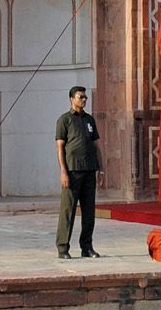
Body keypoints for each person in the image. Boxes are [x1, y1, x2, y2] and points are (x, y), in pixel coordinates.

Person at [54, 85, 101, 259]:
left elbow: (97, 146)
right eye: (80, 97)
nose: (84, 100)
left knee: (89, 211)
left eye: (85, 97)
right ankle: (63, 247)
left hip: (89, 170)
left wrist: (100, 169)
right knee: (68, 211)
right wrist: (63, 172)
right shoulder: (64, 120)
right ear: (71, 99)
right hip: (73, 171)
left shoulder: (89, 120)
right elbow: (60, 148)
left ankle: (87, 247)